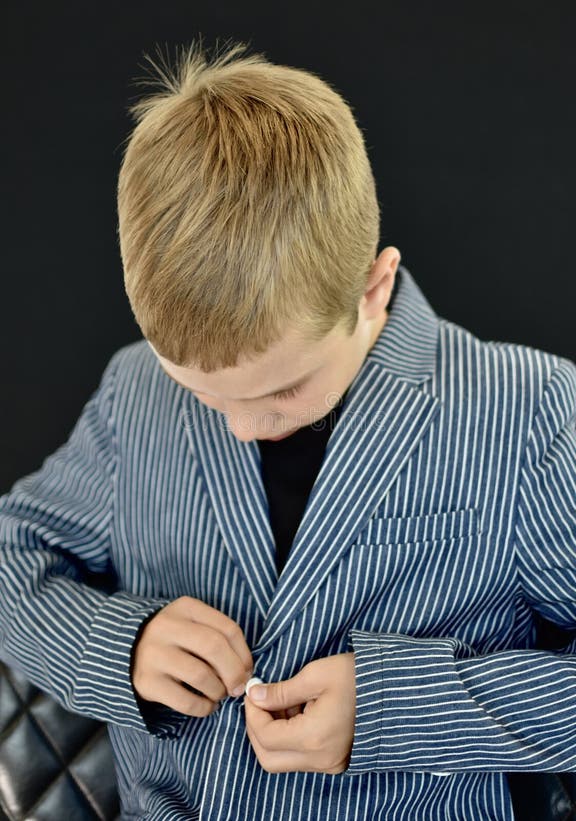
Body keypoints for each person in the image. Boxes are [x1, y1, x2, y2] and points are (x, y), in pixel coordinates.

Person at [0, 39, 575, 821]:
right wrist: (120, 646)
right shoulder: (132, 389)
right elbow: (11, 560)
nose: (239, 426)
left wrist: (398, 708)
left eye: (282, 389)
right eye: (195, 390)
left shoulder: (528, 412)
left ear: (374, 287)